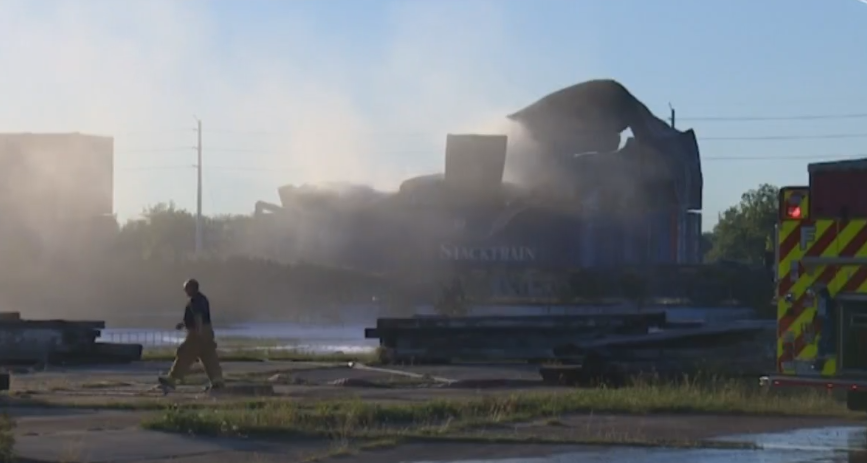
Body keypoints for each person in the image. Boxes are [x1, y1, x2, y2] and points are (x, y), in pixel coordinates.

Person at [158, 279, 225, 391]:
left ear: (192, 288)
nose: (185, 291)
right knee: (209, 357)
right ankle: (217, 381)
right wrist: (184, 324)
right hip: (207, 331)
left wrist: (198, 332)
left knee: (184, 353)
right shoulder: (202, 299)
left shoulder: (195, 301)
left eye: (186, 288)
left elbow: (198, 316)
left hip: (197, 332)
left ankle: (172, 379)